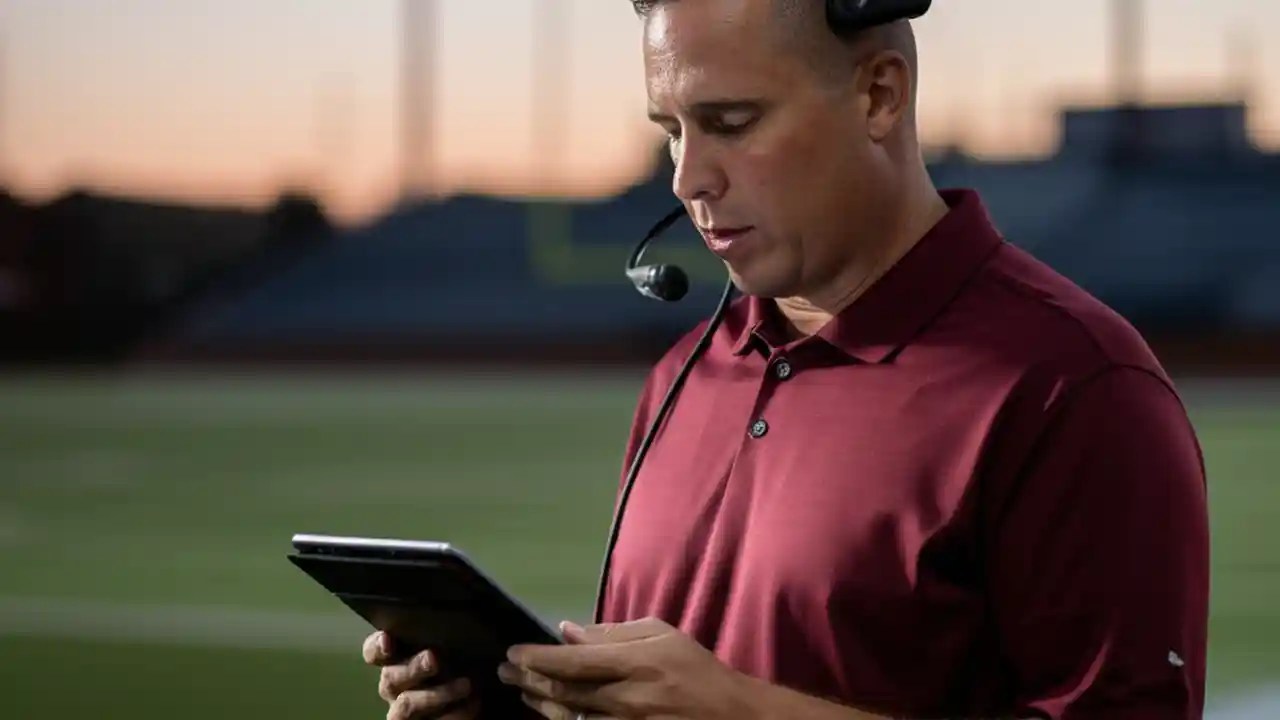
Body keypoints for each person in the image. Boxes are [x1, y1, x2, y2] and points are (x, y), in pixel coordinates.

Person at [363, 0, 1211, 718]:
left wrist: (742, 711)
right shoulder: (681, 375)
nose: (687, 178)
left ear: (880, 95)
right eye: (672, 131)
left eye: (732, 122)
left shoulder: (1076, 387)